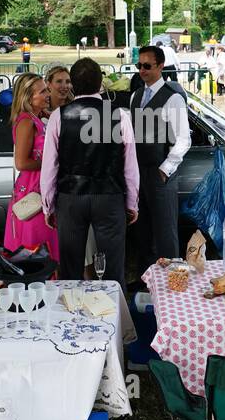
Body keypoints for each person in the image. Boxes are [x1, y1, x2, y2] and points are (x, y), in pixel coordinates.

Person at [41, 57, 139, 288]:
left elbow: (49, 166)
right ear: (100, 84)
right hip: (109, 196)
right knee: (114, 265)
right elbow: (130, 165)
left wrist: (48, 205)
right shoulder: (120, 115)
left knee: (70, 265)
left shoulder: (58, 116)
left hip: (70, 197)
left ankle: (70, 317)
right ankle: (115, 316)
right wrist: (132, 202)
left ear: (73, 84)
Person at [130, 44, 191, 279]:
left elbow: (183, 140)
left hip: (160, 173)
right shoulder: (136, 95)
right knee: (142, 231)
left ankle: (174, 282)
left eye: (147, 66)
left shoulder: (173, 98)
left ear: (161, 66)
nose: (142, 71)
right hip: (138, 174)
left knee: (166, 233)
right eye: (139, 66)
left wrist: (165, 170)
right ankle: (148, 281)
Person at [3, 73, 60, 260]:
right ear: (28, 96)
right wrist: (51, 162)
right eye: (43, 91)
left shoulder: (36, 117)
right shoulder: (26, 122)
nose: (48, 94)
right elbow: (21, 162)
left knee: (47, 241)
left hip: (40, 185)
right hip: (32, 190)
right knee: (37, 244)